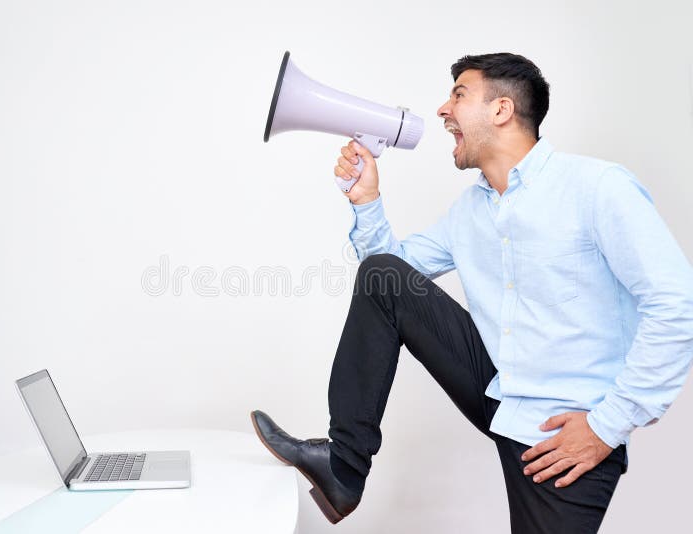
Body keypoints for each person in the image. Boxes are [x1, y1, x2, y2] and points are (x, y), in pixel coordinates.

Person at [250, 53, 693, 533]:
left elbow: (676, 306)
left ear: (502, 110)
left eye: (459, 94)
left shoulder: (598, 188)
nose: (443, 109)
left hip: (564, 429)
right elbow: (388, 277)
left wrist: (607, 427)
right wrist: (367, 200)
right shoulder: (471, 211)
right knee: (384, 275)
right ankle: (342, 466)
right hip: (500, 394)